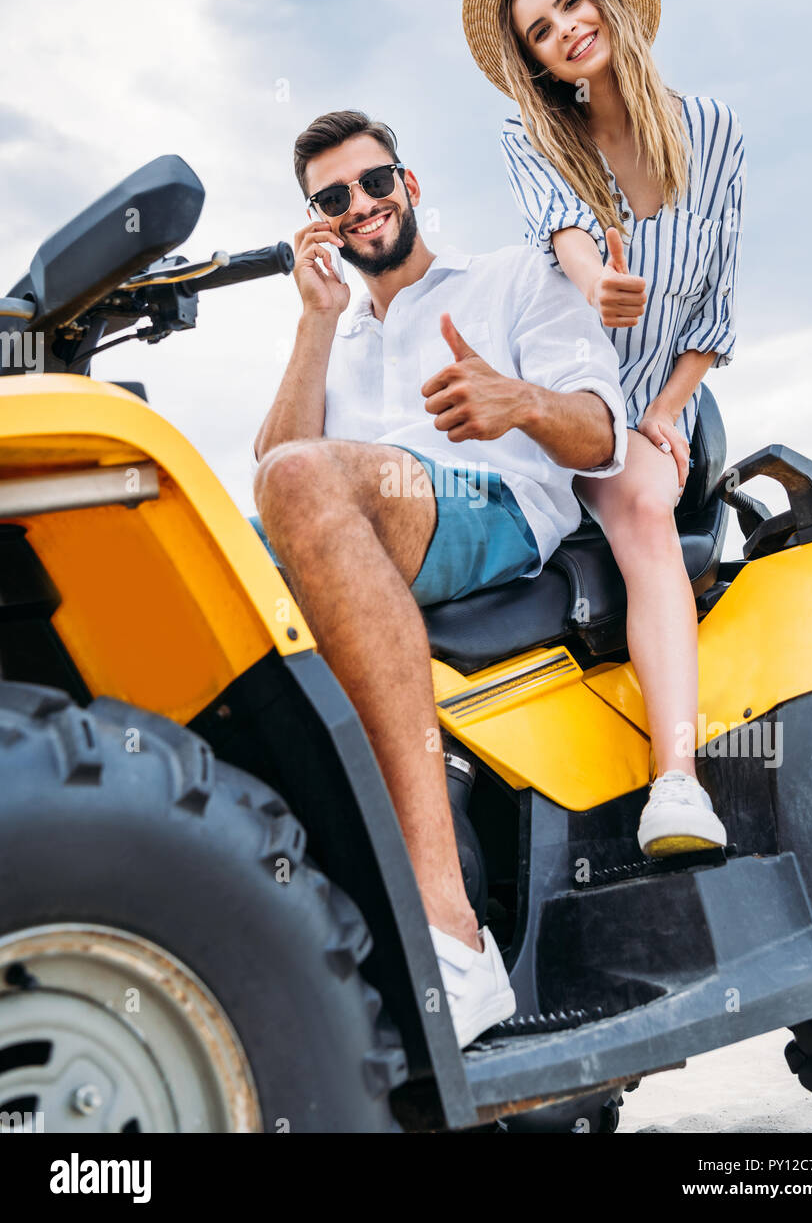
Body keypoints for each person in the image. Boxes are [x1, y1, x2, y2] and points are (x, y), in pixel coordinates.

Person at [253, 108, 627, 1047]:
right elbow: (275, 467)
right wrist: (314, 321)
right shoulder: (332, 340)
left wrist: (517, 400)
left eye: (375, 182)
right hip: (363, 512)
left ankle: (449, 931)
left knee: (304, 477)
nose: (360, 205)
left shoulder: (511, 276)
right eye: (332, 199)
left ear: (409, 185)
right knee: (202, 545)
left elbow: (600, 432)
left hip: (489, 505)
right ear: (320, 224)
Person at [462, 0, 746, 857]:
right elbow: (565, 237)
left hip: (663, 396)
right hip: (575, 388)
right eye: (539, 32)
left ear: (604, 1)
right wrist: (599, 286)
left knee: (638, 499)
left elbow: (714, 310)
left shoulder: (712, 130)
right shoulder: (531, 134)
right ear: (536, 63)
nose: (563, 31)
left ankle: (677, 784)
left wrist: (667, 412)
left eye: (568, 5)